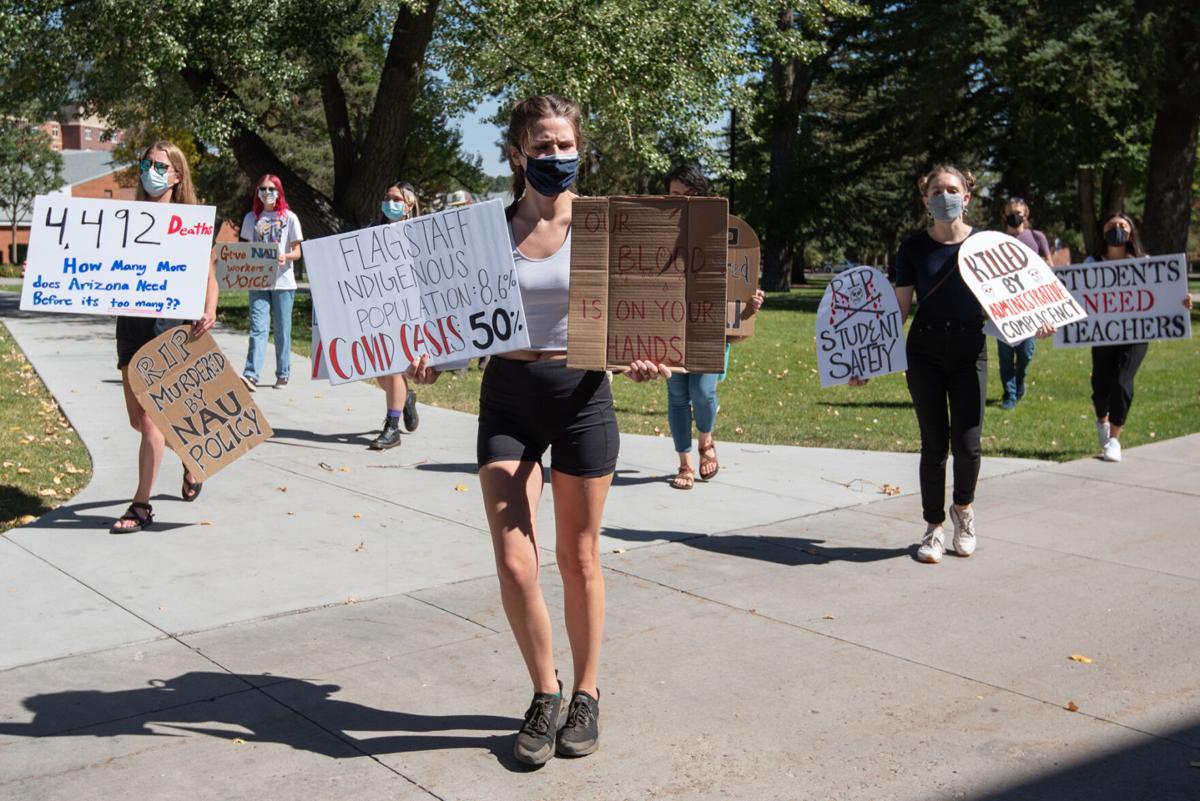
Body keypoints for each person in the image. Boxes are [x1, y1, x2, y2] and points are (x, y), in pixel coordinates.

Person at [407, 94, 669, 766]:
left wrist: (647, 355)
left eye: (563, 145)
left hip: (583, 396)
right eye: (540, 146)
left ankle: (586, 692)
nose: (555, 157)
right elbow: (456, 329)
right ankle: (544, 690)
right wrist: (432, 362)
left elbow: (647, 318)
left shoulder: (611, 230)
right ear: (517, 153)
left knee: (577, 558)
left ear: (580, 148)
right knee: (514, 558)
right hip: (509, 399)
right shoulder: (486, 233)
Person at [852, 165, 1050, 564]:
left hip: (969, 349)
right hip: (923, 350)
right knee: (933, 445)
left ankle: (963, 510)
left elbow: (1012, 299)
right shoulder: (912, 249)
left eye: (953, 189)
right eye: (937, 190)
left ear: (968, 196)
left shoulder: (988, 245)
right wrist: (869, 359)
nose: (946, 195)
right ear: (925, 199)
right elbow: (900, 310)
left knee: (969, 443)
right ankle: (932, 527)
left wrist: (1037, 319)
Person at [109, 141, 218, 533]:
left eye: (160, 165)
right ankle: (191, 457)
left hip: (170, 330)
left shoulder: (191, 221)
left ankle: (141, 506)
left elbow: (209, 276)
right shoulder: (125, 217)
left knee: (154, 422)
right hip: (131, 328)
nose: (150, 170)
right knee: (139, 422)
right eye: (146, 163)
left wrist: (209, 310)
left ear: (177, 175)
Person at [663, 164, 763, 490]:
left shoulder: (723, 233)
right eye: (674, 194)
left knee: (702, 391)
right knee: (678, 395)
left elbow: (739, 280)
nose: (680, 201)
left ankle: (706, 440)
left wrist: (749, 304)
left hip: (709, 328)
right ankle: (684, 461)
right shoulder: (657, 231)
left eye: (688, 195)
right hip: (672, 325)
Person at [1088, 212, 1193, 462]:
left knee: (1123, 381)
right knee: (1101, 386)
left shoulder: (1144, 263)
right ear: (1103, 232)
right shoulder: (1092, 263)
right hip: (1103, 334)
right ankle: (1102, 419)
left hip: (1136, 334)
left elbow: (1163, 294)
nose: (1117, 229)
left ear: (1131, 232)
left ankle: (1114, 439)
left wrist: (1181, 303)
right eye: (1112, 226)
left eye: (1122, 226)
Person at [370, 181, 421, 449]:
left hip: (406, 313)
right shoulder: (371, 233)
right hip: (378, 311)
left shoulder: (420, 234)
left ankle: (392, 427)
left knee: (393, 368)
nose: (389, 202)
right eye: (386, 197)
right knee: (382, 374)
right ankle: (406, 397)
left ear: (409, 204)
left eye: (396, 198)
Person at [240, 174, 302, 389]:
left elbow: (297, 251)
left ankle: (283, 373)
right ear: (257, 192)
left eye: (271, 189)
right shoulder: (251, 218)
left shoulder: (289, 218)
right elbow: (246, 250)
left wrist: (286, 256)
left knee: (283, 329)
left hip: (283, 282)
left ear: (279, 192)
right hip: (258, 281)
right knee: (258, 328)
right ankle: (251, 374)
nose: (267, 193)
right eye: (263, 189)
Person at [996, 198, 1052, 410]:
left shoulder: (1036, 237)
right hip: (1004, 306)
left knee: (1026, 352)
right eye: (1010, 212)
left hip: (1030, 306)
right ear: (1004, 216)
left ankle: (1019, 383)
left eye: (1018, 212)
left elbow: (1049, 265)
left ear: (1026, 214)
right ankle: (1009, 394)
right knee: (1005, 354)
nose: (1014, 216)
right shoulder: (998, 239)